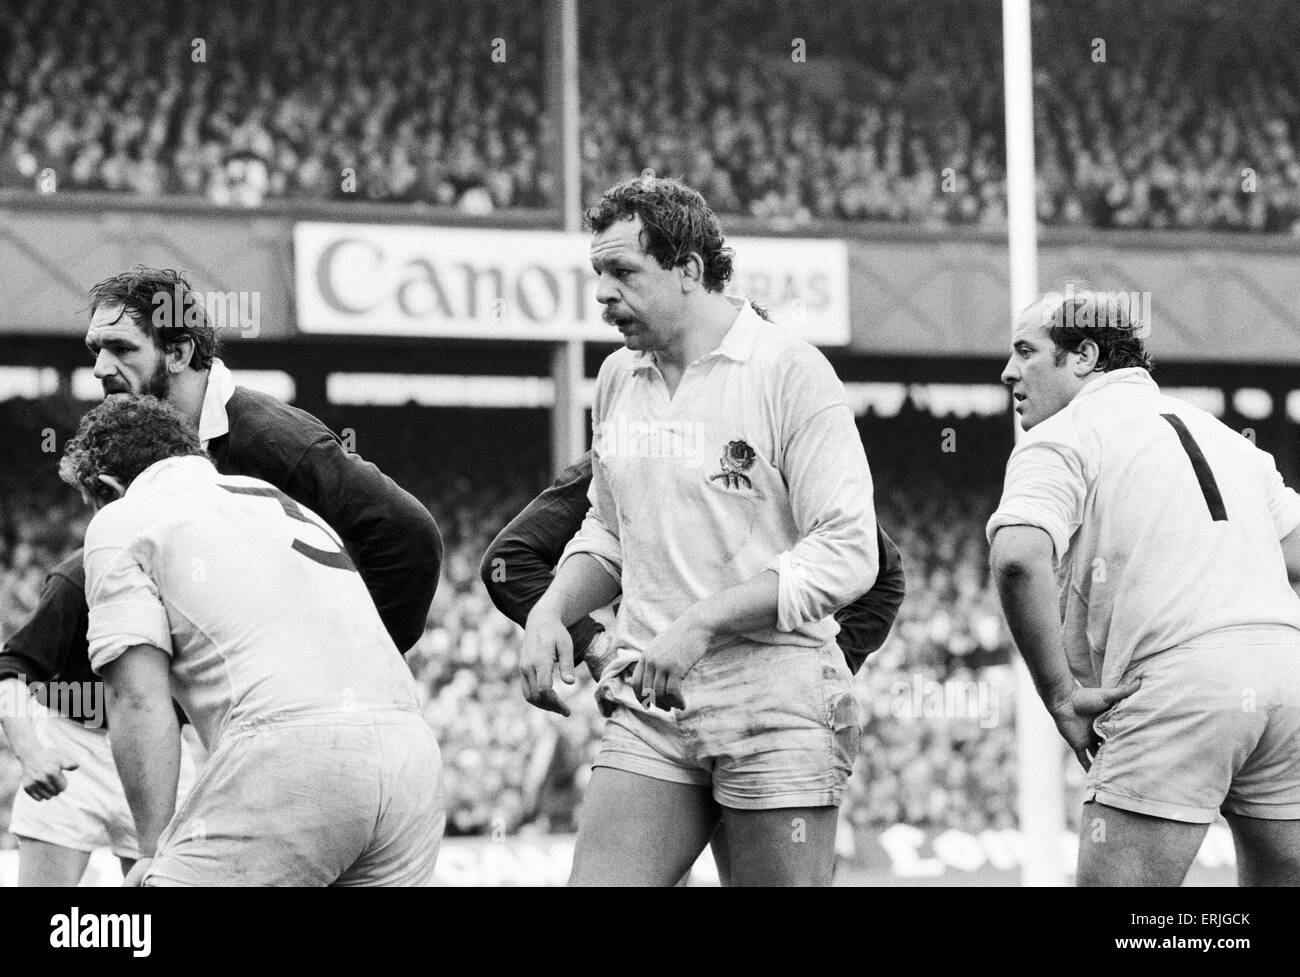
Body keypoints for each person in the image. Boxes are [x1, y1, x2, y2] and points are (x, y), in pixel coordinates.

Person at [0, 266, 442, 886]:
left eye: (121, 348)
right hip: (394, 752)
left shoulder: (269, 444)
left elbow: (410, 537)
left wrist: (341, 664)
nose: (100, 368)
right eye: (94, 349)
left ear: (180, 351)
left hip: (277, 742)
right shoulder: (162, 518)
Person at [519, 177, 880, 886]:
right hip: (652, 702)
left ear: (688, 270)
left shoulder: (790, 371)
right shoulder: (620, 377)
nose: (603, 292)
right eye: (598, 272)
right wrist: (549, 608)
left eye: (622, 271)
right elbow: (608, 530)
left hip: (776, 702)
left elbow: (848, 549)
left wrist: (704, 622)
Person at [62, 394, 445, 886]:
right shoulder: (279, 502)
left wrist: (153, 851)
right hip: (409, 753)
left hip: (294, 755)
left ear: (109, 487)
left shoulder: (124, 517)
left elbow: (136, 698)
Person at [988, 284, 1300, 886]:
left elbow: (1018, 557)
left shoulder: (1064, 433)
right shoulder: (1223, 436)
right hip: (1288, 675)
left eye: (1025, 351)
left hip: (1177, 678)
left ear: (1082, 356)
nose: (1009, 372)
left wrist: (1058, 694)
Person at [481, 450, 905, 885]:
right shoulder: (634, 442)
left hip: (768, 719)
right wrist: (595, 644)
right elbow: (508, 563)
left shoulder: (772, 437)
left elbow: (877, 571)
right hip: (655, 711)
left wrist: (815, 676)